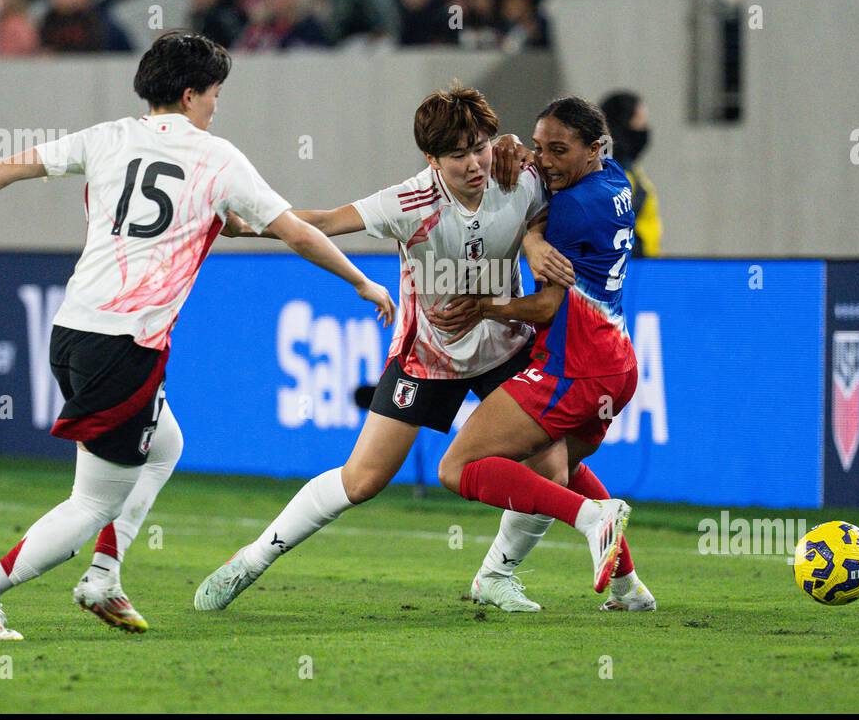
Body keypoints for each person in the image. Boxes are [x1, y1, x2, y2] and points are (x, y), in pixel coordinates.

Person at [0, 32, 395, 640]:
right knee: (92, 502)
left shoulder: (109, 137)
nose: (216, 106)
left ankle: (104, 576)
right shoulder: (217, 157)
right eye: (213, 94)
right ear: (189, 95)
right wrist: (362, 282)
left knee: (166, 444)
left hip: (73, 329)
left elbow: (7, 166)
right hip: (123, 346)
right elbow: (298, 233)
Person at [194, 83, 609, 614]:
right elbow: (321, 223)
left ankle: (498, 576)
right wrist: (244, 227)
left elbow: (545, 202)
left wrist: (530, 228)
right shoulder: (409, 202)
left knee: (549, 467)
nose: (476, 164)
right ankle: (248, 562)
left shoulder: (518, 175)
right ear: (431, 159)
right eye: (458, 156)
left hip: (506, 347)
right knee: (362, 481)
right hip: (429, 357)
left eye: (481, 146)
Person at [430, 97, 653, 605]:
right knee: (554, 471)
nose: (544, 161)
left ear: (594, 148)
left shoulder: (573, 207)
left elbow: (549, 306)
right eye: (538, 147)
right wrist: (532, 226)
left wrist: (486, 307)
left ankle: (593, 518)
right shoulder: (616, 179)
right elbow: (550, 187)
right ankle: (626, 585)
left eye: (558, 150)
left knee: (457, 468)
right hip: (615, 365)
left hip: (573, 367)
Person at [600, 91, 661, 257]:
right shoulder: (614, 173)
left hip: (640, 268)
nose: (645, 129)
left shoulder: (630, 170)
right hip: (628, 271)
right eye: (641, 121)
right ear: (625, 122)